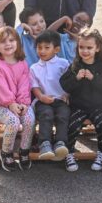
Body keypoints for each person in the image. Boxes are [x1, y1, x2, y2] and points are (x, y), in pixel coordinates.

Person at [60, 28, 102, 172]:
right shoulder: (75, 65)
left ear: (97, 48)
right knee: (72, 126)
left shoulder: (101, 66)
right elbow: (64, 83)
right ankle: (69, 153)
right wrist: (76, 78)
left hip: (97, 107)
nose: (85, 51)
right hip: (78, 107)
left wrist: (93, 78)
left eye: (89, 47)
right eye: (81, 47)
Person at [0, 26, 35, 171]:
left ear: (18, 42)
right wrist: (10, 104)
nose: (8, 44)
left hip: (21, 102)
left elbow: (24, 85)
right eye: (2, 42)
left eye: (11, 40)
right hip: (1, 105)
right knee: (13, 122)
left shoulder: (22, 63)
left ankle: (24, 151)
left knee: (29, 119)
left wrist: (24, 103)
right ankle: (6, 152)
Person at [29, 30, 71, 161]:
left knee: (63, 115)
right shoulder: (34, 67)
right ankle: (44, 144)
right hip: (42, 100)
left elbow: (70, 82)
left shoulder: (63, 64)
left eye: (47, 47)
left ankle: (60, 143)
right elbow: (34, 86)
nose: (42, 51)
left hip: (60, 99)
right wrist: (41, 97)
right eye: (39, 47)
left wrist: (67, 94)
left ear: (56, 49)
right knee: (46, 115)